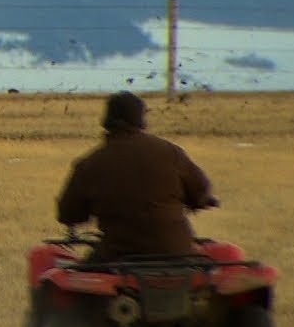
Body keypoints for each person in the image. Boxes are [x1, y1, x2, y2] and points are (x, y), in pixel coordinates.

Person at [56, 91, 218, 261]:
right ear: (141, 120)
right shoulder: (171, 152)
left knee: (75, 269)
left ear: (106, 121)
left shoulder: (89, 163)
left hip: (118, 256)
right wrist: (199, 201)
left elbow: (68, 214)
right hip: (178, 252)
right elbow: (201, 191)